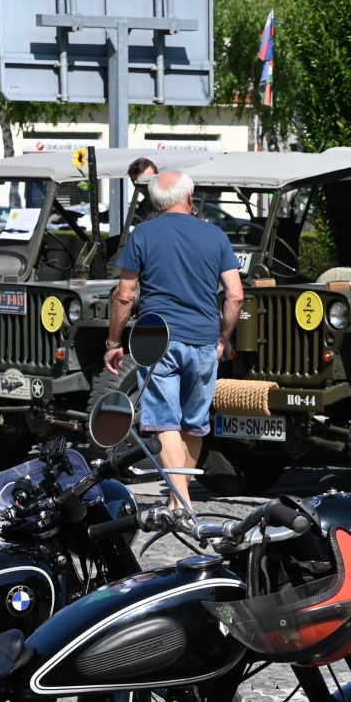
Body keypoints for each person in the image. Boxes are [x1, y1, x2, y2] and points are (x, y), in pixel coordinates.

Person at [103, 170, 245, 505]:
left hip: (157, 338)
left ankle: (179, 501)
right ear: (190, 198)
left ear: (155, 202)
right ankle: (178, 500)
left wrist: (113, 342)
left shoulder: (144, 235)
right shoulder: (216, 236)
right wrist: (223, 338)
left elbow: (125, 295)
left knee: (163, 419)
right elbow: (235, 295)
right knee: (193, 424)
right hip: (204, 337)